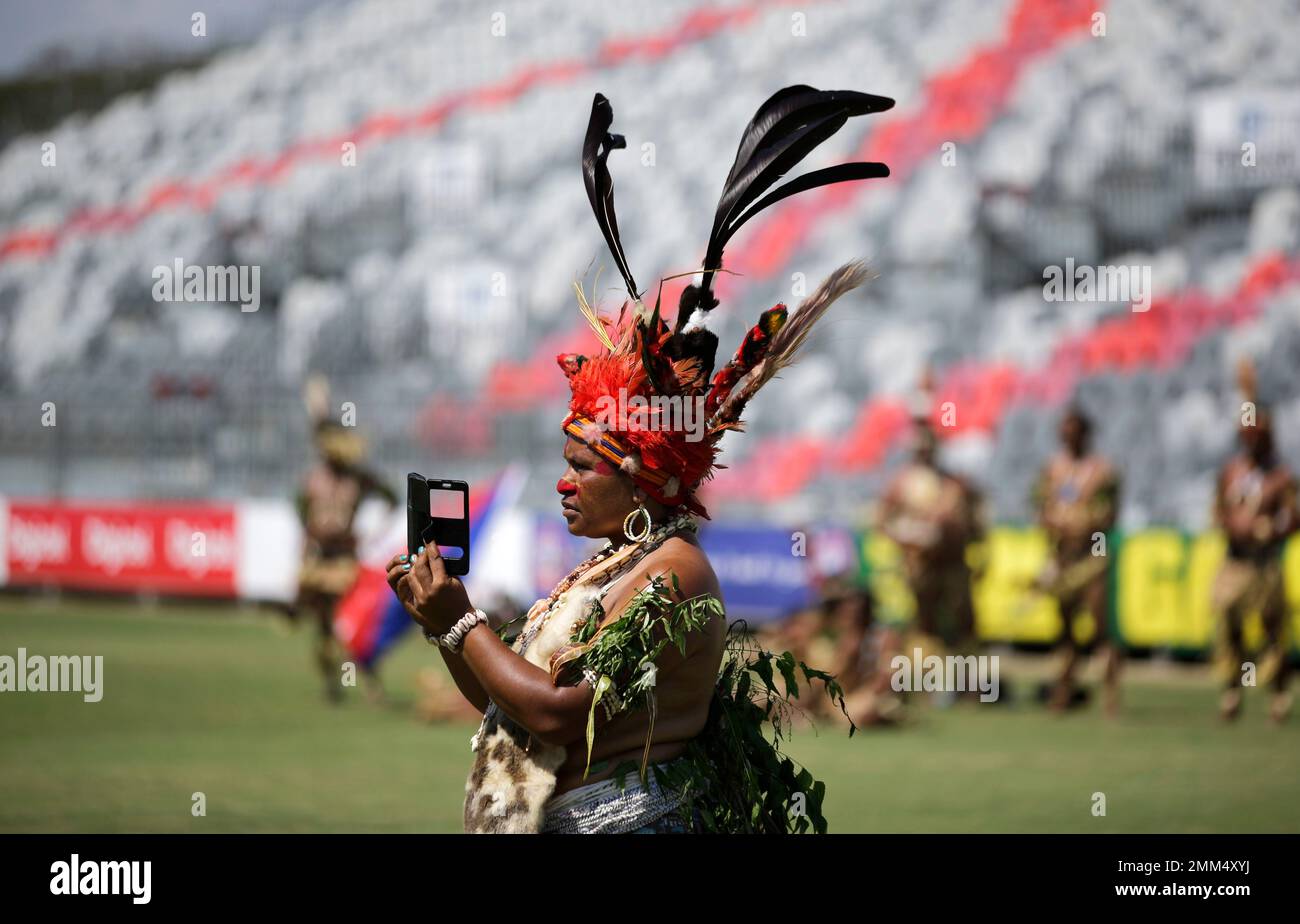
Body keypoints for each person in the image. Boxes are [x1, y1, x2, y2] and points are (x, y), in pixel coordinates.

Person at [386, 86, 895, 833]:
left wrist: (463, 621)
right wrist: (444, 623)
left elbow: (561, 713)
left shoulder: (675, 573)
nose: (564, 483)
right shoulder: (610, 568)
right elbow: (515, 702)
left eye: (583, 467)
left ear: (644, 482)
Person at [295, 376, 397, 703]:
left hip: (344, 561)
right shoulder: (313, 478)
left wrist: (371, 534)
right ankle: (332, 684)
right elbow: (302, 513)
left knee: (354, 624)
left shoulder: (360, 478)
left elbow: (391, 497)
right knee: (323, 627)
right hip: (317, 560)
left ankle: (369, 682)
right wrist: (306, 543)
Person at [1212, 362, 1296, 723]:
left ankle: (1277, 694)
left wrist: (1270, 528)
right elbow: (1217, 512)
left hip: (1265, 565)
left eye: (1259, 435)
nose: (1253, 440)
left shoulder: (1280, 476)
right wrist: (1235, 525)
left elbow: (1293, 517)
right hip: (1235, 562)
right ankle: (1232, 688)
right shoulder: (1232, 472)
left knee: (1271, 629)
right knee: (1226, 621)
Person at [1032, 405, 1122, 715]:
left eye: (1074, 430)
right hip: (1063, 558)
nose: (1068, 436)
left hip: (1091, 556)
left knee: (1099, 629)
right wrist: (1053, 527)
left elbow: (1109, 515)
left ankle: (1111, 694)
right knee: (1065, 630)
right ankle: (1064, 690)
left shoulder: (1101, 470)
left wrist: (1083, 525)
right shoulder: (1053, 469)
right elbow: (1040, 509)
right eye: (1064, 430)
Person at [877, 413, 984, 661]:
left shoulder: (953, 483)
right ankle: (927, 677)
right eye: (920, 448)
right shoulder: (903, 482)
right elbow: (882, 521)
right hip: (920, 567)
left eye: (929, 447)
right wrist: (908, 536)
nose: (924, 452)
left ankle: (967, 679)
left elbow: (972, 523)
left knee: (963, 621)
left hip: (952, 565)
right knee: (925, 622)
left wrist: (952, 530)